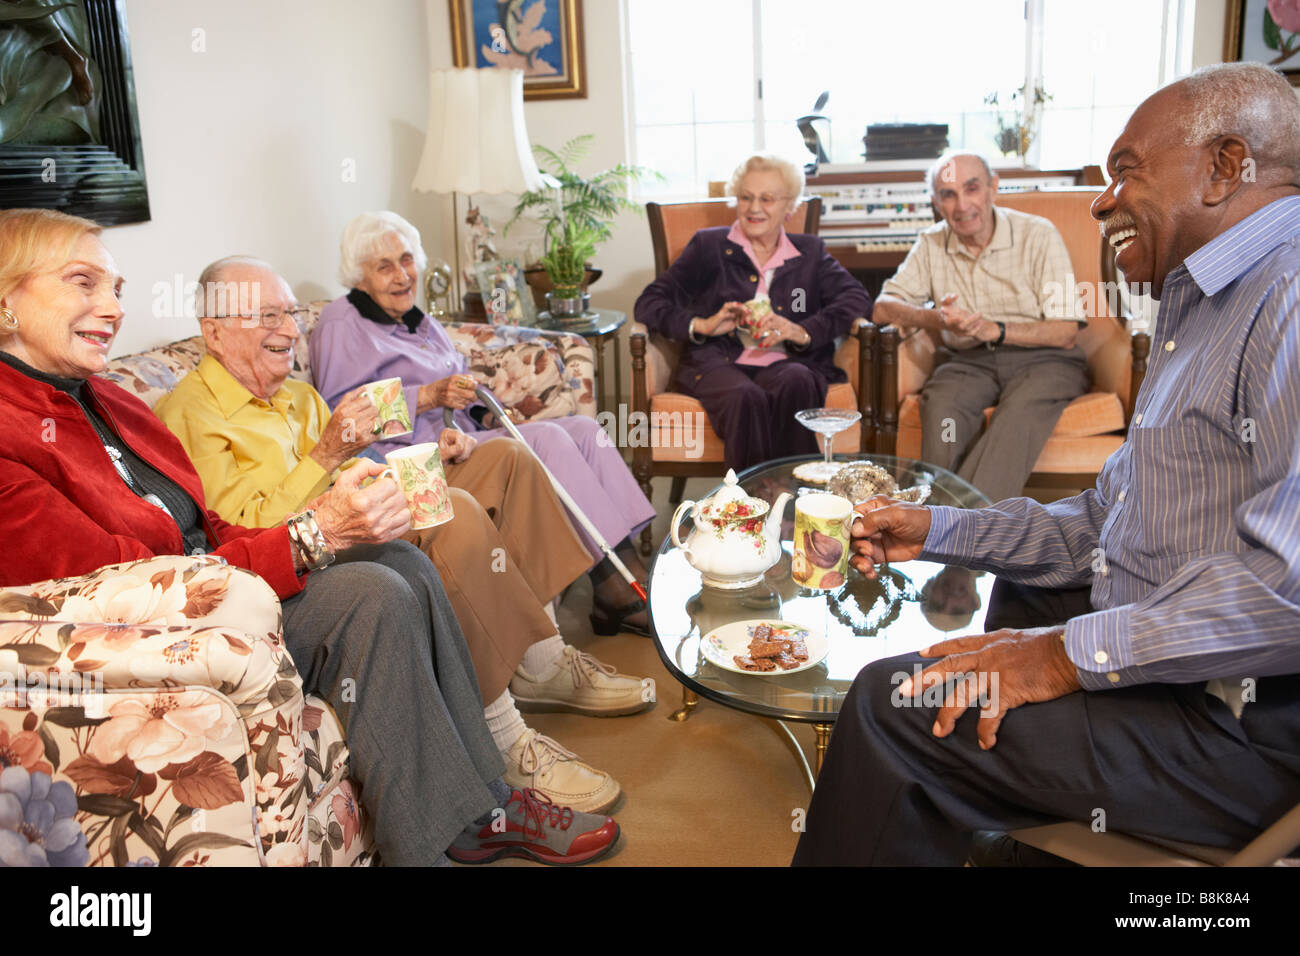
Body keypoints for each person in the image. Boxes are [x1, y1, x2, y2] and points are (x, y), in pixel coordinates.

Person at [0, 208, 619, 866]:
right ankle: (447, 831)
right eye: (83, 282)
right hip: (173, 627)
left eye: (116, 288)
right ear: (8, 299)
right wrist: (310, 536)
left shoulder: (109, 399)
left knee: (403, 558)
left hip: (218, 574)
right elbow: (123, 585)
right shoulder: (35, 426)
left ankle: (489, 795)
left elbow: (209, 525)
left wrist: (352, 503)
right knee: (374, 588)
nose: (112, 307)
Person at [793, 63, 1300, 866]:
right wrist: (938, 528)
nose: (1100, 201)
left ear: (1226, 166)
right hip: (1179, 657)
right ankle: (1013, 835)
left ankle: (967, 796)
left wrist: (1067, 655)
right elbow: (1105, 522)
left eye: (1126, 171)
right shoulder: (1199, 301)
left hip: (1245, 721)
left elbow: (1289, 594)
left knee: (887, 705)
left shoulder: (1291, 298)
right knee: (1028, 586)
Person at [155, 256, 653, 814]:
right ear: (213, 330)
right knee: (453, 511)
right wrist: (328, 456)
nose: (291, 330)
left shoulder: (296, 396)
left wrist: (431, 455)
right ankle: (504, 736)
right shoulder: (189, 416)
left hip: (358, 509)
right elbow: (246, 534)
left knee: (507, 458)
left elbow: (357, 464)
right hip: (312, 551)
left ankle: (543, 660)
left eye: (290, 314)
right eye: (269, 315)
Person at [311, 211, 656, 637]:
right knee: (546, 438)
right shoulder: (342, 323)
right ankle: (613, 588)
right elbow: (342, 417)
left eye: (406, 260)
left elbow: (458, 385)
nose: (402, 275)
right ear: (358, 276)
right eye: (384, 267)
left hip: (464, 438)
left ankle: (631, 568)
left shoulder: (417, 320)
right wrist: (429, 397)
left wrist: (486, 412)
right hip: (413, 460)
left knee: (583, 430)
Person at [872, 151, 1089, 504]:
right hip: (968, 362)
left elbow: (1065, 331)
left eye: (971, 189)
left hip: (1046, 360)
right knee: (942, 406)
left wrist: (996, 330)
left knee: (1014, 420)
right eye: (948, 194)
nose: (961, 206)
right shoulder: (931, 242)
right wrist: (937, 319)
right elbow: (882, 307)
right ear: (936, 203)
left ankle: (963, 537)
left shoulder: (1037, 234)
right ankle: (932, 526)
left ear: (993, 188)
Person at [634, 153, 872, 473]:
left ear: (789, 207)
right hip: (719, 364)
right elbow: (649, 302)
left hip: (789, 362)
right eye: (745, 197)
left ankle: (793, 496)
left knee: (798, 380)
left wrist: (801, 331)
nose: (754, 208)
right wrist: (702, 325)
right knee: (745, 397)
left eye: (767, 199)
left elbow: (856, 297)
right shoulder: (709, 247)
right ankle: (750, 508)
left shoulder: (809, 252)